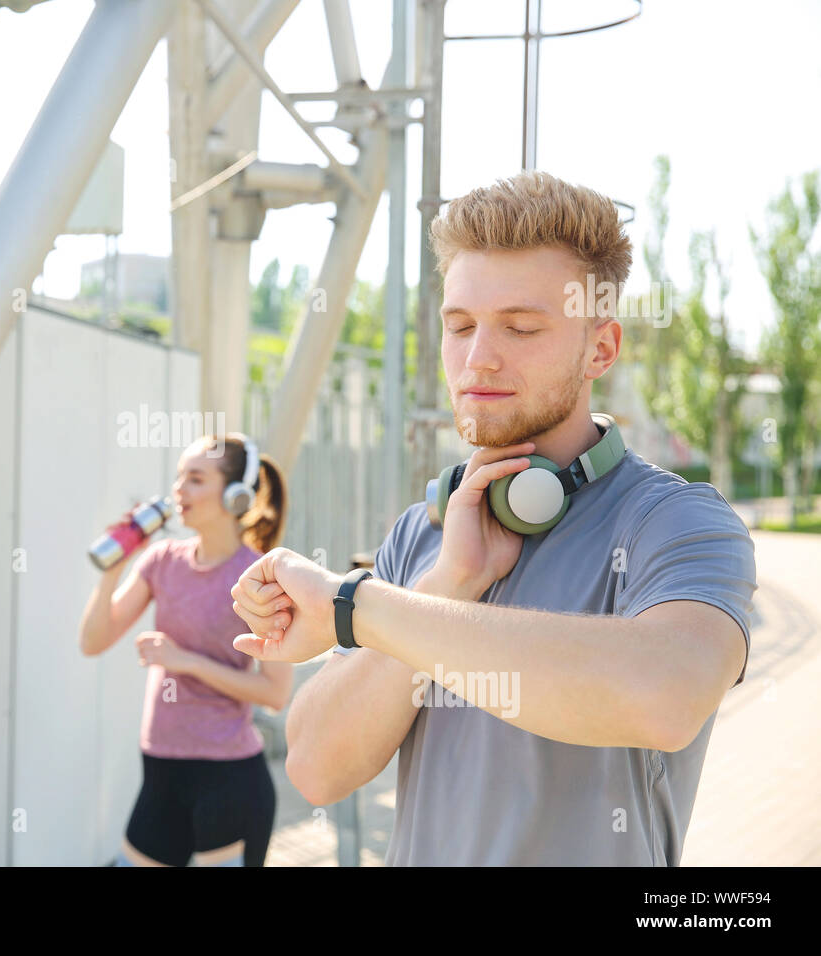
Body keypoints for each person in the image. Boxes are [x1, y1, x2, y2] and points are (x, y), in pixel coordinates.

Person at [228, 170, 758, 866]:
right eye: (460, 326)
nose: (479, 357)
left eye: (521, 326)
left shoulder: (677, 522)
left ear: (600, 348)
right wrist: (450, 581)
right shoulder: (427, 534)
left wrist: (356, 606)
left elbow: (664, 696)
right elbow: (316, 767)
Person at [78, 432, 293, 866]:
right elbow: (93, 641)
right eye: (179, 477)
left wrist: (186, 662)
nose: (179, 490)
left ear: (235, 495)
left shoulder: (259, 577)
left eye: (195, 479)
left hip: (228, 778)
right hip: (160, 767)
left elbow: (275, 693)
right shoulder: (161, 561)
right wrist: (110, 574)